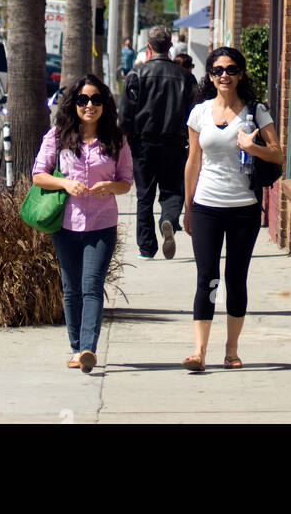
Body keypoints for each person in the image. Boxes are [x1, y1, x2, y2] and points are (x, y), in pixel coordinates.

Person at [182, 45, 284, 371]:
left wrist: (252, 147)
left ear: (240, 74)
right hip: (206, 206)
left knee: (235, 277)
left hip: (244, 207)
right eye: (217, 70)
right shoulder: (199, 113)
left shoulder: (256, 112)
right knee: (207, 278)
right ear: (210, 76)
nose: (223, 75)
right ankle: (199, 351)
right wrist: (187, 206)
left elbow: (278, 154)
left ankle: (232, 350)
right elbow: (192, 162)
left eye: (230, 69)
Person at [32, 75, 132, 372]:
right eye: (83, 100)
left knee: (92, 285)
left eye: (96, 100)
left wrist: (109, 187)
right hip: (65, 225)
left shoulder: (116, 139)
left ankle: (88, 348)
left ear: (105, 104)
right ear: (74, 103)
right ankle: (75, 348)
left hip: (101, 223)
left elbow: (126, 182)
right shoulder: (57, 136)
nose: (90, 105)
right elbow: (38, 174)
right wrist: (65, 184)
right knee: (71, 287)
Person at [120, 24, 197, 261]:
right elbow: (194, 113)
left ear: (148, 47)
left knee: (144, 196)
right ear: (170, 46)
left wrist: (129, 140)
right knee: (172, 190)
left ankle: (146, 247)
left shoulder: (136, 75)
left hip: (144, 144)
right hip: (174, 143)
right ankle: (168, 220)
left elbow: (125, 115)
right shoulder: (186, 77)